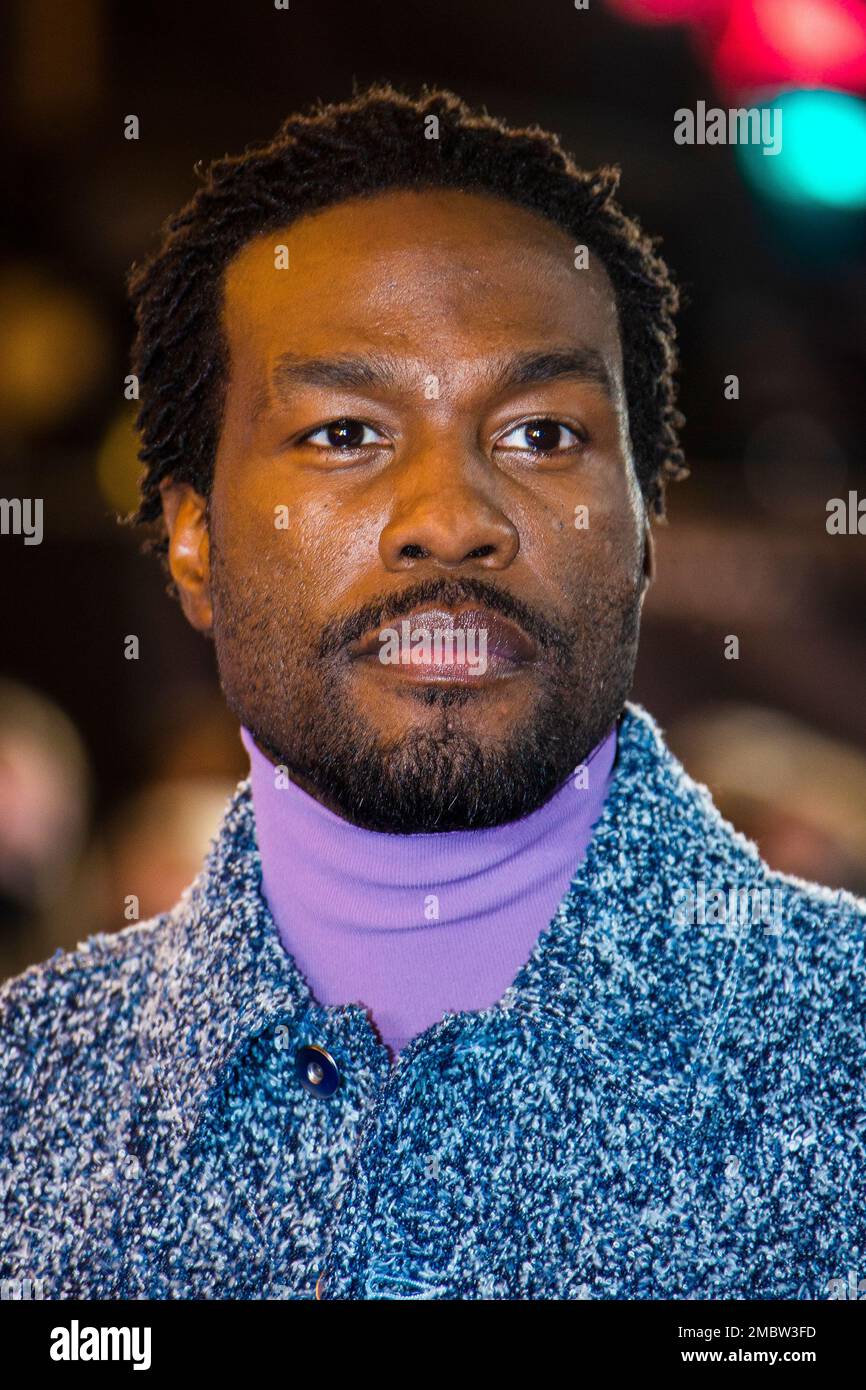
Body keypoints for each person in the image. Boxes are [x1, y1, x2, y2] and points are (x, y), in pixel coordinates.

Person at [1, 84, 863, 1301]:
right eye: (345, 433)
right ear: (193, 544)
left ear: (642, 533)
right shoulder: (24, 1105)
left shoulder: (844, 1059)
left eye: (540, 435)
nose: (451, 520)